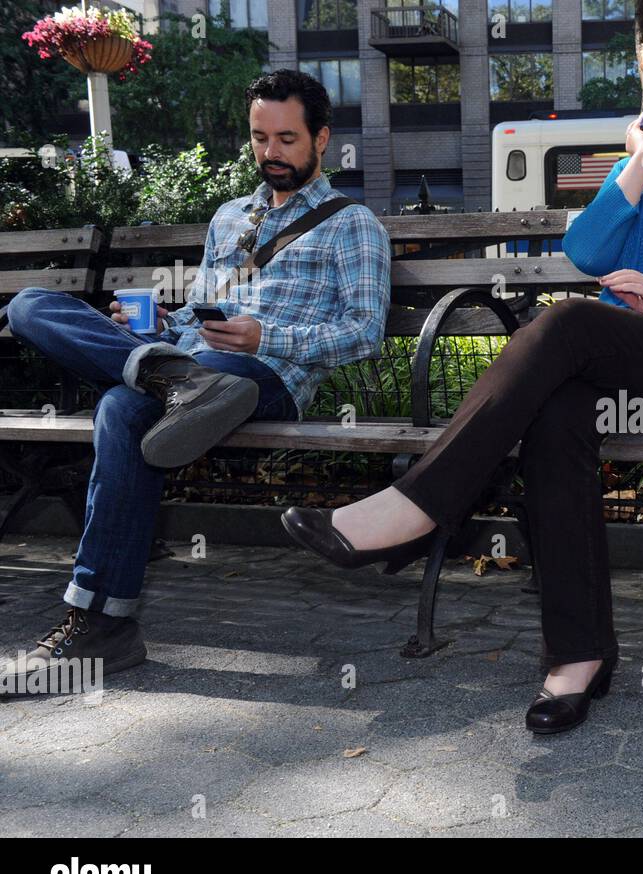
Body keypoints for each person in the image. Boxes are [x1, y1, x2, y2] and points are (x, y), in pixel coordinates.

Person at [280, 24, 643, 735]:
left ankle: (417, 508)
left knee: (567, 322)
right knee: (558, 415)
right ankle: (577, 657)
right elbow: (586, 248)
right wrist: (638, 166)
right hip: (641, 375)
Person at [0, 70, 391, 695]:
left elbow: (363, 331)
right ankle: (162, 374)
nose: (271, 153)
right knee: (29, 307)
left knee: (124, 409)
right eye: (260, 138)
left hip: (262, 375)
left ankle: (101, 625)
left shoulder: (353, 224)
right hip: (190, 369)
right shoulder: (229, 217)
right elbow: (201, 308)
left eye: (287, 139)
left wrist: (267, 338)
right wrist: (151, 321)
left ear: (322, 139)